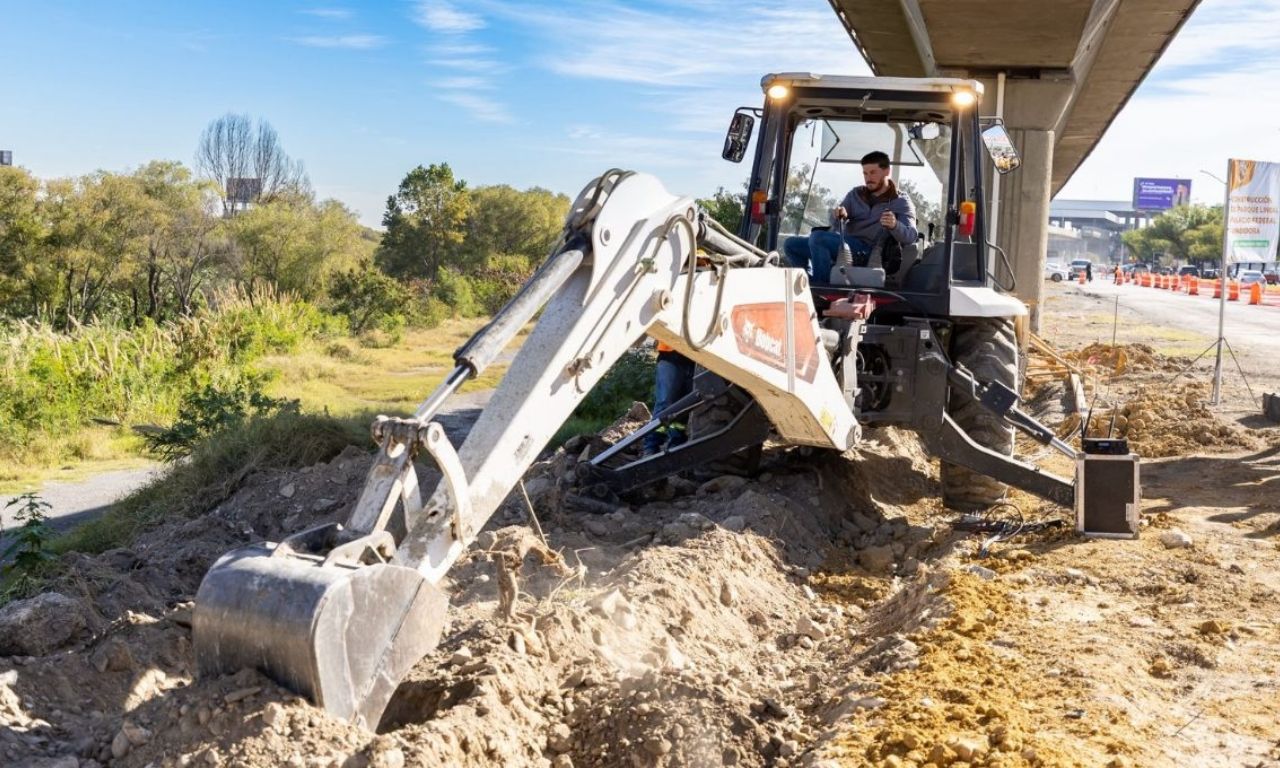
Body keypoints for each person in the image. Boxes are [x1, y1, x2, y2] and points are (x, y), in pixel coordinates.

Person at [782, 151, 918, 283]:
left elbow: (911, 236)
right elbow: (835, 224)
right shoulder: (856, 194)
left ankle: (821, 288)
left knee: (818, 238)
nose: (868, 178)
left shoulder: (901, 201)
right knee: (791, 244)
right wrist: (838, 215)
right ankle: (808, 284)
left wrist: (895, 225)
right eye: (865, 173)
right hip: (845, 245)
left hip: (868, 252)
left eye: (873, 172)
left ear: (886, 171)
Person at [643, 343, 696, 455]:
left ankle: (677, 442)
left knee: (684, 406)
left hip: (693, 360)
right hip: (671, 357)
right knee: (665, 404)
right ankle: (652, 445)